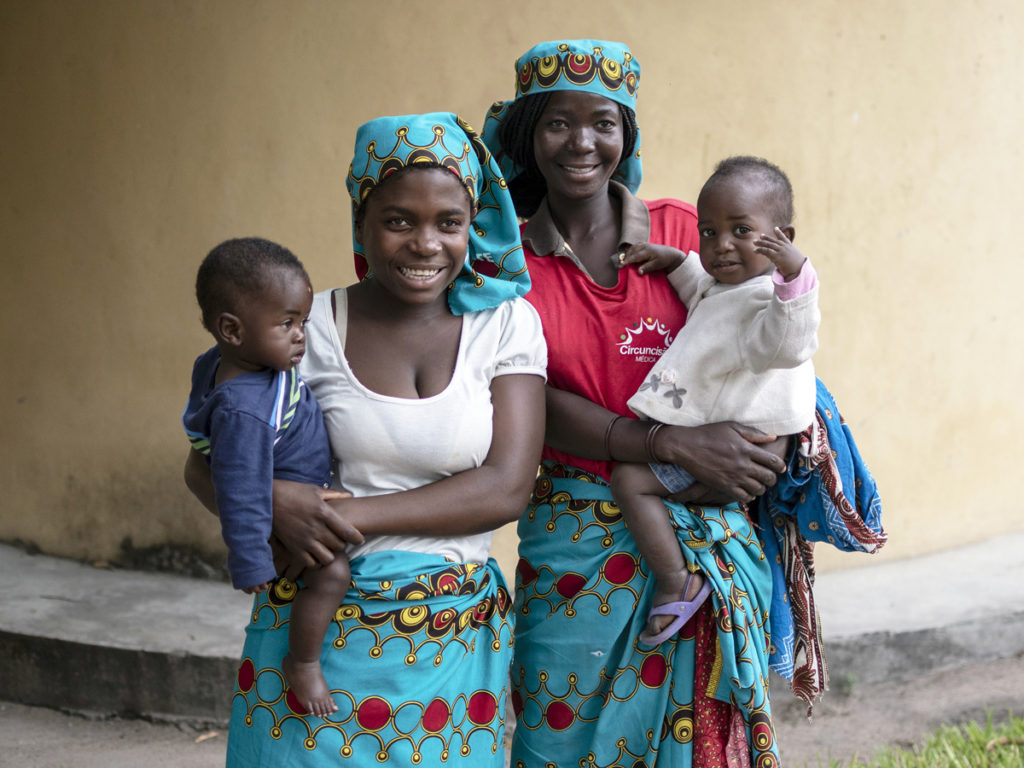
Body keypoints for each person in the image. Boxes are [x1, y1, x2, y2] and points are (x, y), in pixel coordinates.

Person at [184, 113, 547, 766]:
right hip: (312, 637)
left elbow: (505, 486)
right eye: (398, 220)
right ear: (360, 223)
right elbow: (203, 463)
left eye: (449, 222)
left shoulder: (506, 324)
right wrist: (273, 499)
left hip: (450, 646)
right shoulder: (304, 327)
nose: (425, 244)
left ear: (474, 225)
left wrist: (333, 513)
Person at [482, 40, 789, 767]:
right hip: (571, 540)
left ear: (628, 134)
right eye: (558, 122)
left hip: (701, 519)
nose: (582, 142)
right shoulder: (504, 267)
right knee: (558, 731)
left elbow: (775, 343)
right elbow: (520, 399)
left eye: (604, 121)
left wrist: (763, 456)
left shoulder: (695, 232)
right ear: (528, 134)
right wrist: (666, 444)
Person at [609, 156, 820, 646]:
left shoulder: (772, 303)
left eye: (742, 230)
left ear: (782, 236)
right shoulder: (733, 286)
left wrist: (796, 276)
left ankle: (675, 580)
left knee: (630, 482)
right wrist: (675, 259)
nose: (721, 245)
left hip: (749, 451)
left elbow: (789, 342)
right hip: (739, 446)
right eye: (708, 232)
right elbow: (703, 293)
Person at [182, 237, 350, 717]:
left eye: (303, 321)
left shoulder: (229, 363)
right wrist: (252, 559)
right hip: (290, 513)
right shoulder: (245, 410)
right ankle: (304, 663)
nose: (301, 335)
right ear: (232, 330)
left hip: (291, 482)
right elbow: (241, 491)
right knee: (332, 574)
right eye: (286, 323)